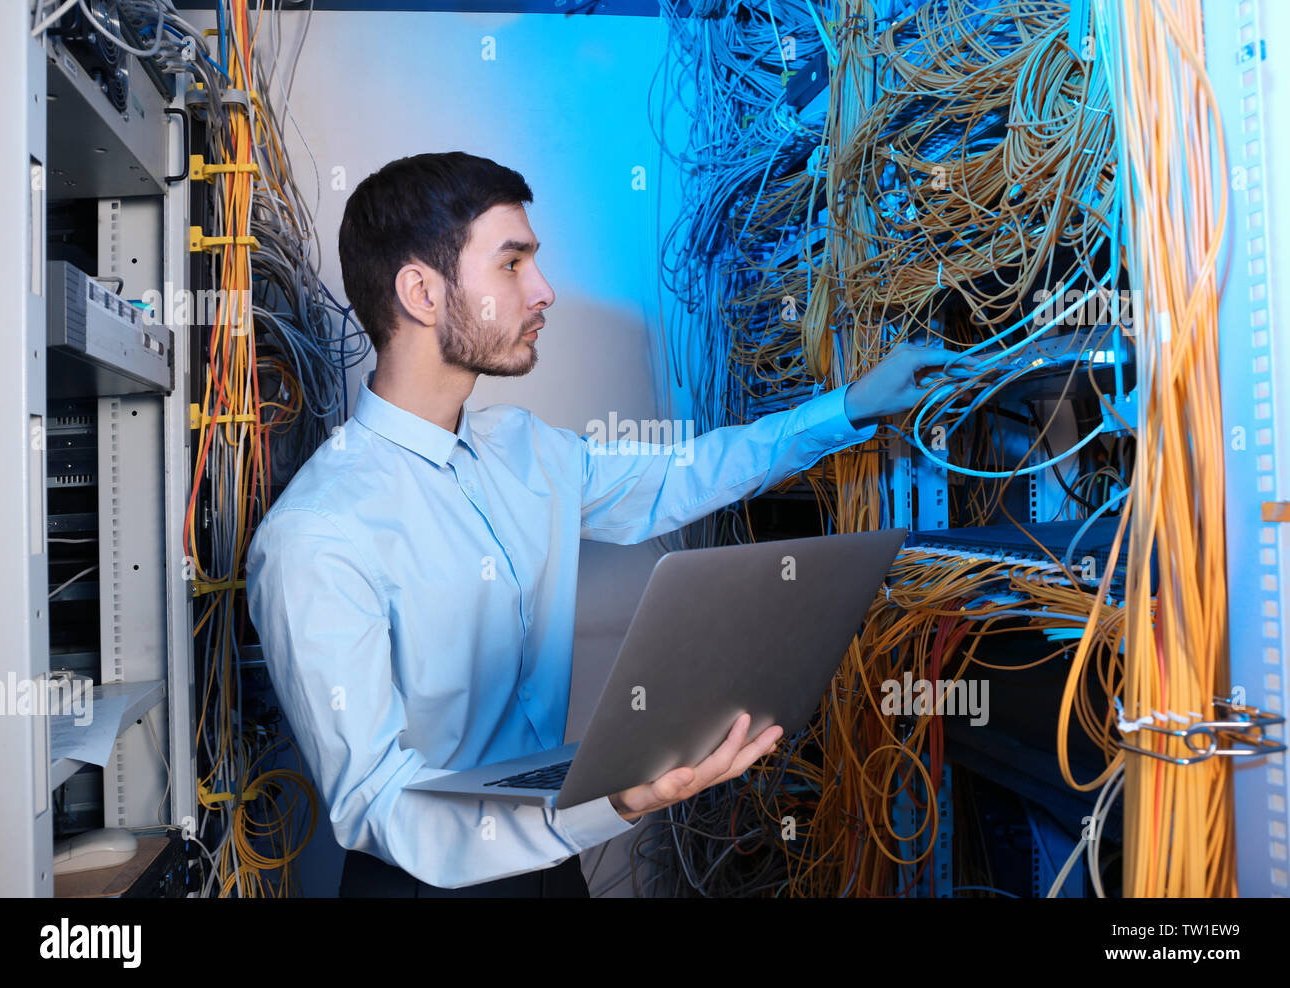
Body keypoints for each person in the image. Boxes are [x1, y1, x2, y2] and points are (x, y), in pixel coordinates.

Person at [245, 151, 966, 898]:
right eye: (513, 263)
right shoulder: (318, 534)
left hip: (556, 868)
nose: (544, 291)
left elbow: (684, 473)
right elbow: (378, 805)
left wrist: (848, 407)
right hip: (428, 882)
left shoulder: (522, 449)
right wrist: (610, 804)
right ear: (421, 292)